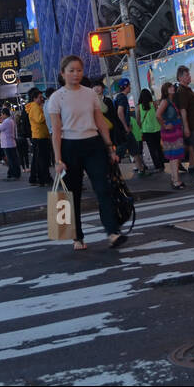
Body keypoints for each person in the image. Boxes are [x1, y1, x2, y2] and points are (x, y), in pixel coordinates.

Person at [48, 55, 126, 251]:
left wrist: (110, 147)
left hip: (93, 144)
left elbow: (100, 121)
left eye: (79, 70)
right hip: (69, 146)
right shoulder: (56, 97)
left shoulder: (90, 93)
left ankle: (113, 232)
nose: (76, 74)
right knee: (72, 194)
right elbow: (56, 131)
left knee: (103, 188)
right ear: (63, 73)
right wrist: (58, 160)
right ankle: (77, 237)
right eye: (71, 70)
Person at [158, 82, 185, 189]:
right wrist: (164, 125)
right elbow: (158, 115)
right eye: (170, 87)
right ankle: (176, 180)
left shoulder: (170, 101)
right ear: (166, 90)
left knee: (174, 156)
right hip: (171, 131)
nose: (172, 88)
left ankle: (175, 179)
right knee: (174, 156)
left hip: (173, 130)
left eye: (172, 86)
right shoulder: (165, 101)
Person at [25, 88, 52, 186]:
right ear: (34, 98)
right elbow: (39, 119)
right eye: (40, 97)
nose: (42, 99)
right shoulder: (35, 107)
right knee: (42, 160)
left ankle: (40, 178)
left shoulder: (34, 106)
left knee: (40, 159)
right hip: (40, 136)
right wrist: (47, 113)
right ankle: (44, 178)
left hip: (40, 135)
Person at [136, 88, 165, 172]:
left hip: (146, 131)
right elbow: (158, 115)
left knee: (152, 149)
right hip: (156, 129)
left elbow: (138, 120)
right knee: (158, 147)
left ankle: (157, 166)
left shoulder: (139, 107)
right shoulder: (154, 104)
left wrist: (141, 126)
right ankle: (162, 164)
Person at [0, 108, 21, 180]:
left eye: (2, 114)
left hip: (7, 144)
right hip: (11, 143)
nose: (1, 116)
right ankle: (12, 173)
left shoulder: (7, 121)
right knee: (13, 159)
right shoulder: (10, 120)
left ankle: (14, 174)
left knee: (11, 160)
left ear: (5, 114)